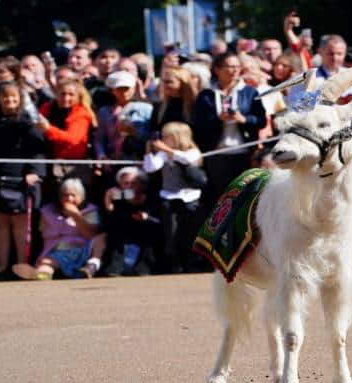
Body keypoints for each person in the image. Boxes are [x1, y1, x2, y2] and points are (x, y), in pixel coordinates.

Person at [0, 81, 45, 278]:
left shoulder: (28, 122)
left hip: (22, 177)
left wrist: (35, 172)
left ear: (20, 99)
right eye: (5, 97)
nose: (9, 100)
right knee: (0, 223)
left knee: (20, 223)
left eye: (14, 97)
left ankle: (21, 265)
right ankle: (2, 266)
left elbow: (38, 149)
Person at [192, 52, 266, 203]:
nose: (235, 70)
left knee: (244, 196)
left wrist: (243, 119)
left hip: (244, 152)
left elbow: (261, 121)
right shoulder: (206, 95)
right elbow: (198, 125)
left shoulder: (249, 92)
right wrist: (218, 119)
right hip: (216, 153)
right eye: (230, 66)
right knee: (220, 198)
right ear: (217, 69)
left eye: (237, 67)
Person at [12, 178, 105, 280]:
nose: (69, 198)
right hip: (58, 251)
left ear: (81, 197)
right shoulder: (47, 211)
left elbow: (90, 234)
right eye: (65, 195)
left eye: (73, 195)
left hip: (83, 250)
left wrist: (76, 215)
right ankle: (41, 275)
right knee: (47, 263)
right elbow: (45, 234)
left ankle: (90, 267)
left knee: (101, 238)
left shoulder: (90, 210)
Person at [142, 121, 203, 273]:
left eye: (165, 137)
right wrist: (149, 151)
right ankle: (175, 263)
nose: (162, 140)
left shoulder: (192, 152)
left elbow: (187, 160)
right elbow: (150, 167)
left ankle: (192, 261)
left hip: (190, 197)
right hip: (169, 196)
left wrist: (168, 150)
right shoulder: (163, 154)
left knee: (189, 231)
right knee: (172, 232)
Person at [101, 166, 162, 276]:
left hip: (145, 232)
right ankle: (114, 268)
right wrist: (108, 201)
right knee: (115, 234)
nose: (130, 187)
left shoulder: (150, 198)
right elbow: (109, 221)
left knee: (151, 233)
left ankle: (144, 267)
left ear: (142, 185)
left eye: (134, 183)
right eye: (126, 183)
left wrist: (147, 217)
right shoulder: (118, 199)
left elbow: (159, 221)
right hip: (123, 233)